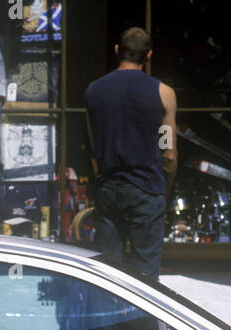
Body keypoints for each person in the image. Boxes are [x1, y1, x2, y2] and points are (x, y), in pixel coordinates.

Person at [84, 27, 178, 282]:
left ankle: (108, 322)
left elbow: (94, 148)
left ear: (117, 50)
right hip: (146, 190)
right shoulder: (164, 94)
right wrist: (163, 193)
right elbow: (168, 154)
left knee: (106, 278)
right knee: (145, 280)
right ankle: (141, 324)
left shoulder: (93, 91)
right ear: (149, 55)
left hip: (108, 190)